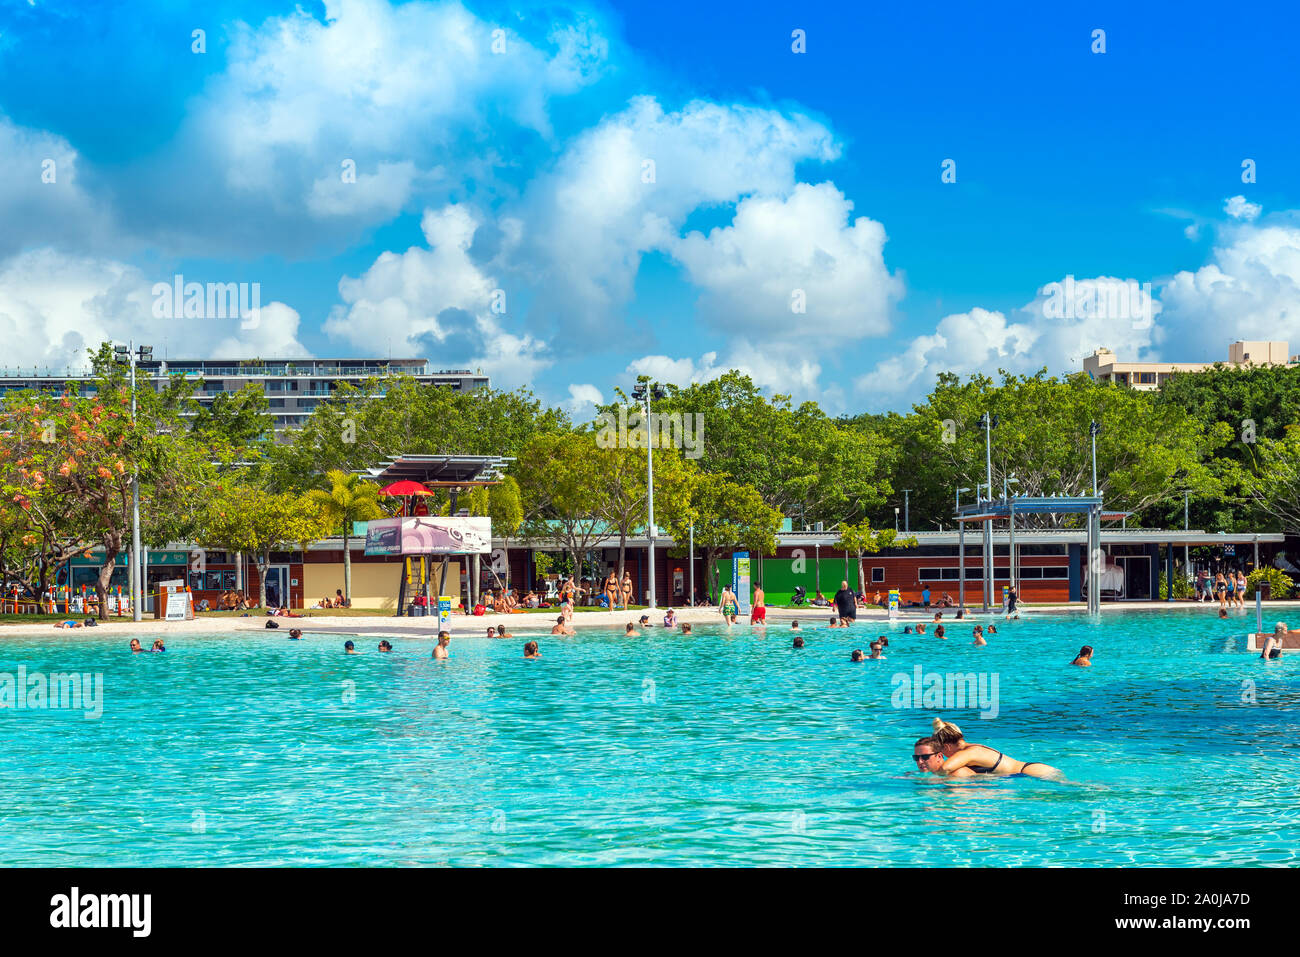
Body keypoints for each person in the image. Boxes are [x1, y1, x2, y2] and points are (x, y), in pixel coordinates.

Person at [929, 718, 1063, 780]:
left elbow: (943, 769)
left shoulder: (967, 753)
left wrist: (920, 779)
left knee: (1075, 790)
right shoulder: (973, 748)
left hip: (1031, 772)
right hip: (1031, 770)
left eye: (942, 751)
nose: (945, 755)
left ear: (946, 746)